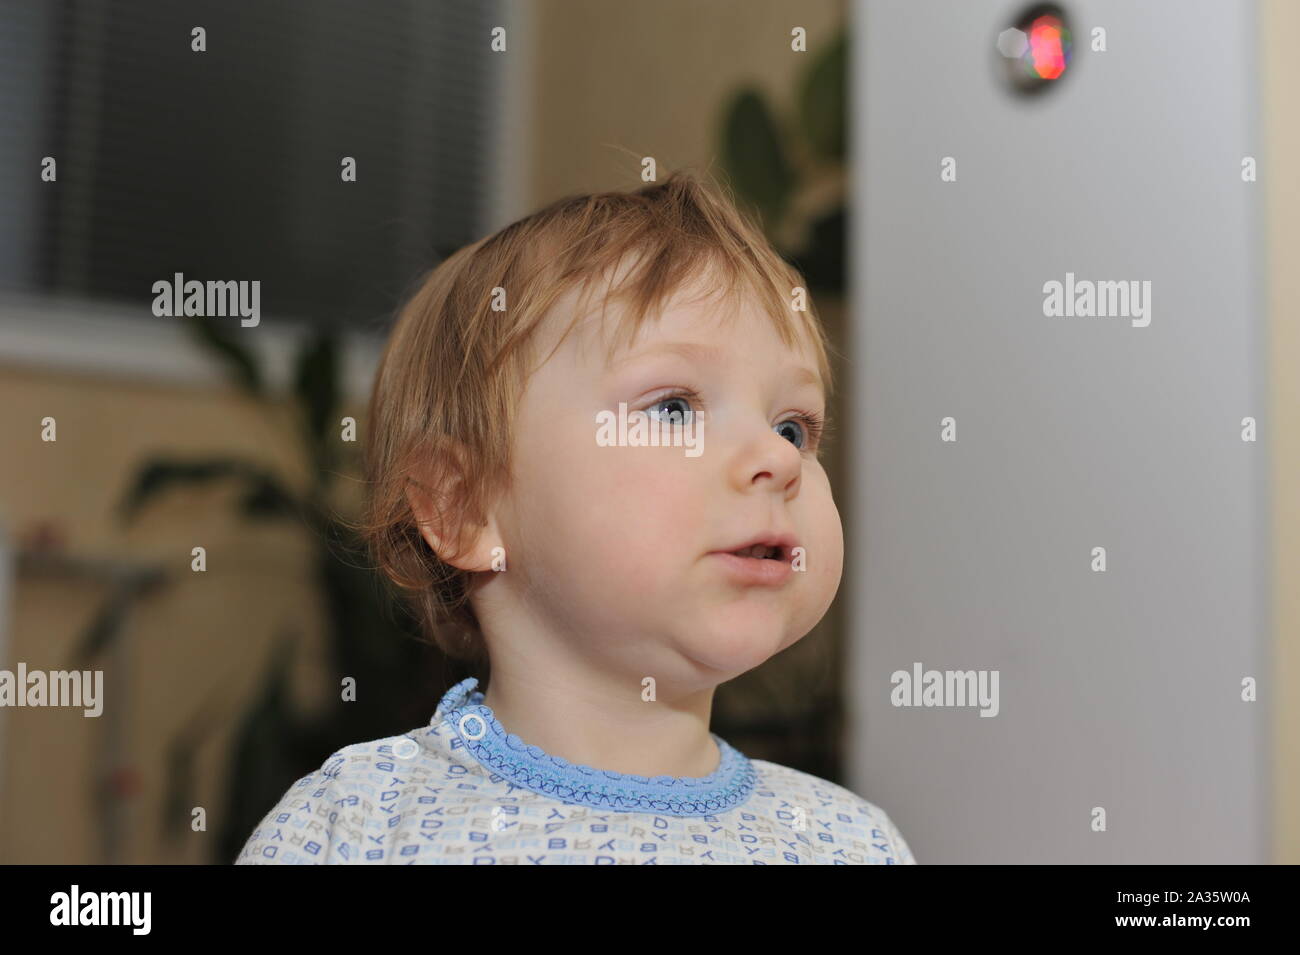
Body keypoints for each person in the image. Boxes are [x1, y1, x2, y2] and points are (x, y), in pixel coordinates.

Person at [235, 170, 915, 865]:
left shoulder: (847, 841)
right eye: (674, 408)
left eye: (795, 426)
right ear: (462, 505)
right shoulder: (352, 825)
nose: (777, 457)